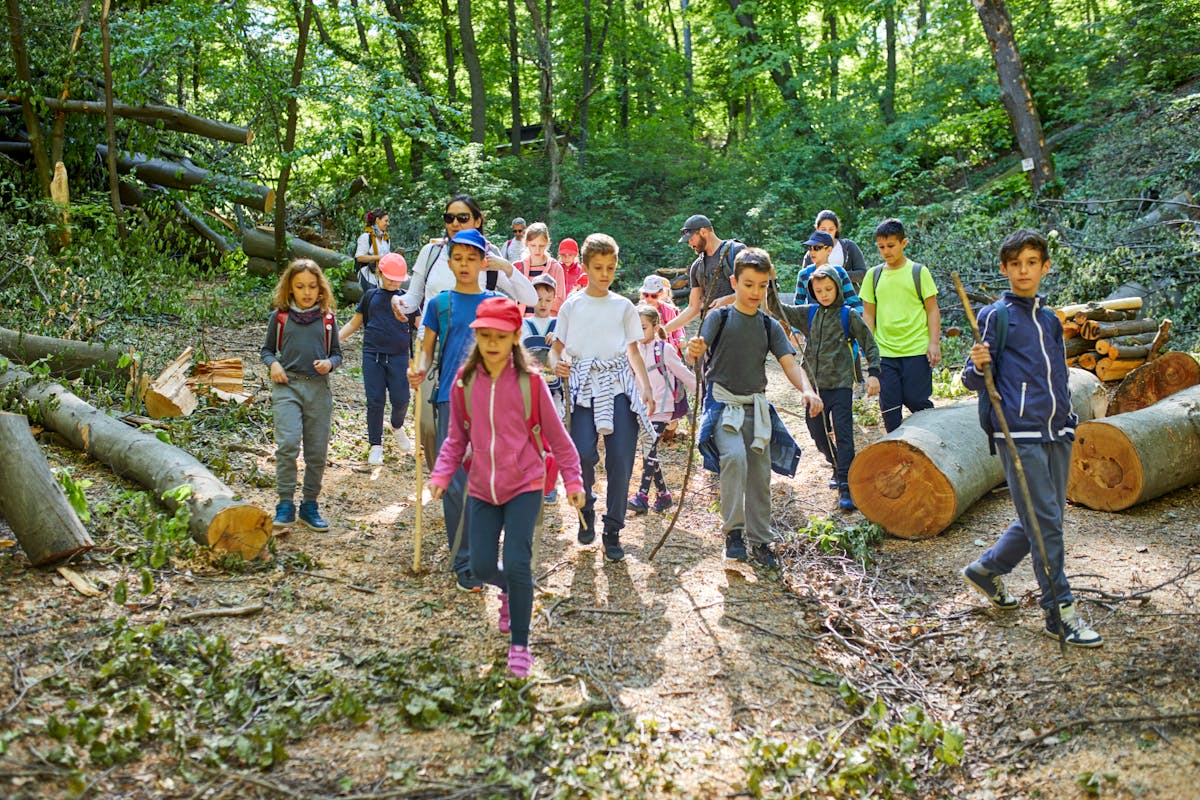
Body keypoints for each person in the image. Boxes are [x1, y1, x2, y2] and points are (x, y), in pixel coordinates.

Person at [960, 229, 1102, 648]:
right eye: (1015, 264)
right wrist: (976, 364)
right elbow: (973, 379)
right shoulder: (995, 316)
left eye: (1032, 263)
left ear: (1045, 267)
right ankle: (1061, 612)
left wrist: (1069, 420)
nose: (1024, 271)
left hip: (1057, 429)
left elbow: (1056, 373)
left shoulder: (1049, 319)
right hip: (1017, 431)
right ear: (1004, 269)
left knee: (1044, 517)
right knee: (1047, 525)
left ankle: (986, 570)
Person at [429, 297, 585, 677]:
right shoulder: (464, 383)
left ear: (515, 336)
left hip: (525, 485)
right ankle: (510, 589)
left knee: (517, 561)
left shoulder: (531, 385)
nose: (492, 343)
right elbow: (454, 440)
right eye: (484, 336)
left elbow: (560, 439)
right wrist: (440, 475)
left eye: (500, 336)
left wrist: (574, 480)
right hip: (482, 487)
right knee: (481, 565)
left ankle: (520, 642)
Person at [408, 228, 538, 592]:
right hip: (452, 398)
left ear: (483, 262)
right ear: (449, 262)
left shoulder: (497, 302)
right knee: (458, 485)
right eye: (458, 258)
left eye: (471, 259)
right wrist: (419, 369)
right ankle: (464, 562)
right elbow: (427, 350)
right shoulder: (439, 304)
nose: (464, 265)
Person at [685, 248, 821, 567]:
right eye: (748, 284)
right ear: (734, 282)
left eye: (761, 286)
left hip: (756, 407)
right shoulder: (719, 317)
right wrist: (693, 349)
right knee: (734, 457)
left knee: (760, 472)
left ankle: (761, 540)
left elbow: (789, 363)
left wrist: (807, 390)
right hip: (724, 404)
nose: (755, 292)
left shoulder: (768, 325)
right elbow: (698, 347)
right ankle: (733, 532)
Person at [552, 233, 657, 563]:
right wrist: (559, 367)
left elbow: (634, 352)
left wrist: (646, 388)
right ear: (584, 267)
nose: (605, 274)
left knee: (621, 461)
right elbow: (554, 351)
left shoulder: (624, 306)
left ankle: (613, 530)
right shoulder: (572, 306)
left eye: (610, 267)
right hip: (583, 389)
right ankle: (587, 509)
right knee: (582, 454)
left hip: (619, 387)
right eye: (598, 267)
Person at [780, 266, 880, 511]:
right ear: (812, 292)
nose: (824, 294)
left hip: (841, 385)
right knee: (817, 431)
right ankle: (836, 465)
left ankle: (847, 484)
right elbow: (779, 310)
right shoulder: (809, 314)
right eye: (818, 290)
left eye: (828, 289)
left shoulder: (849, 315)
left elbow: (870, 344)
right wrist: (770, 284)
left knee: (843, 433)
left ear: (837, 287)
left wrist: (874, 374)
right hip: (814, 388)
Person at [261, 259, 342, 532]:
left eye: (312, 286)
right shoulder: (280, 318)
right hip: (288, 387)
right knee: (288, 445)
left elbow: (338, 355)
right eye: (299, 286)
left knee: (317, 452)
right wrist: (273, 364)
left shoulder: (328, 319)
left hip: (319, 389)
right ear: (290, 288)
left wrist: (330, 364)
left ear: (320, 288)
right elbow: (267, 350)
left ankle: (310, 505)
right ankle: (285, 504)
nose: (306, 292)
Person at [860, 218, 941, 433]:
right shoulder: (873, 275)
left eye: (891, 246)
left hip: (916, 349)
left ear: (903, 243)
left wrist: (934, 343)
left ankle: (931, 446)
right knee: (889, 407)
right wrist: (870, 352)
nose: (886, 251)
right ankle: (894, 452)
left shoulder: (919, 272)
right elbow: (868, 315)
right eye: (881, 247)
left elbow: (932, 309)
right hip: (885, 352)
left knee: (918, 402)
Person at [396, 196, 537, 318]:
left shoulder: (488, 256)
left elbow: (531, 299)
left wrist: (506, 267)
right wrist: (398, 302)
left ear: (477, 221)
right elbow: (413, 298)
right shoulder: (430, 252)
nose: (455, 223)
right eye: (449, 218)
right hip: (433, 344)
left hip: (473, 345)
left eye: (463, 218)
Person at [338, 252, 413, 466]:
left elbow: (420, 324)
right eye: (388, 276)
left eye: (396, 278)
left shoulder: (408, 299)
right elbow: (354, 323)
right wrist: (333, 341)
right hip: (373, 356)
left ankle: (397, 426)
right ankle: (375, 445)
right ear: (379, 272)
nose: (392, 281)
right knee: (375, 401)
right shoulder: (370, 296)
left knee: (402, 398)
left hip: (399, 357)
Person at [628, 305, 695, 515]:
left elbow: (683, 373)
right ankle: (664, 495)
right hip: (642, 408)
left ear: (656, 327)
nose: (640, 332)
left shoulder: (664, 349)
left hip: (662, 408)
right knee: (649, 451)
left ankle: (642, 496)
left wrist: (706, 393)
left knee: (648, 448)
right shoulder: (633, 351)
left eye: (644, 327)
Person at [662, 214, 745, 336]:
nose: (690, 244)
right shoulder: (697, 267)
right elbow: (693, 308)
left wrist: (727, 300)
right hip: (713, 333)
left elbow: (754, 291)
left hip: (741, 330)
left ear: (703, 232)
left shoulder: (736, 251)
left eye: (691, 239)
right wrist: (663, 330)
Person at [523, 275, 566, 501]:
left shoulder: (559, 324)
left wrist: (560, 340)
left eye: (548, 299)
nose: (542, 304)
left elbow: (569, 352)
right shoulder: (522, 324)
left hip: (554, 390)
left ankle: (550, 485)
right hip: (529, 392)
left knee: (553, 435)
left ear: (554, 300)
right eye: (538, 298)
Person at [793, 231, 864, 312]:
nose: (812, 252)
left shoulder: (840, 272)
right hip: (814, 322)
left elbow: (854, 302)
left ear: (829, 250)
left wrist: (859, 321)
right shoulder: (803, 274)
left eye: (817, 248)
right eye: (810, 248)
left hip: (838, 321)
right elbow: (798, 307)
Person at [799, 210, 868, 286]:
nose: (827, 233)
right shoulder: (811, 253)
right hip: (820, 296)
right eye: (823, 229)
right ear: (817, 229)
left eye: (831, 229)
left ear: (836, 229)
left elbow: (863, 274)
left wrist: (837, 274)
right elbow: (804, 280)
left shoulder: (849, 246)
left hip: (847, 294)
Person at [513, 222, 567, 313]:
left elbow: (561, 302)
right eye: (533, 245)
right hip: (523, 323)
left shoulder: (556, 267)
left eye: (541, 246)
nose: (537, 250)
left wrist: (537, 298)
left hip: (547, 322)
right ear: (526, 243)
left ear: (547, 243)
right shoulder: (517, 267)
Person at [639, 274, 683, 348]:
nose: (649, 299)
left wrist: (679, 340)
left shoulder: (669, 310)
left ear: (661, 293)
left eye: (653, 296)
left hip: (666, 350)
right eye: (646, 295)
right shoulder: (639, 310)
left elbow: (677, 330)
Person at [354, 209, 391, 292]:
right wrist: (379, 257)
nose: (387, 224)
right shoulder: (366, 237)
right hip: (368, 275)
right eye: (386, 221)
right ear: (377, 220)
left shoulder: (386, 239)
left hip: (381, 276)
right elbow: (359, 257)